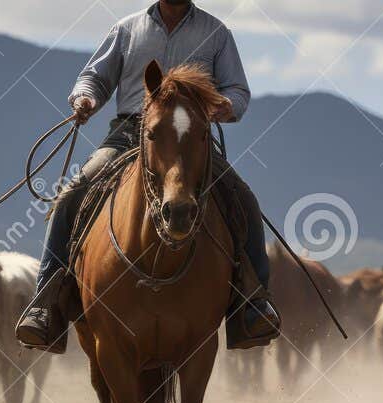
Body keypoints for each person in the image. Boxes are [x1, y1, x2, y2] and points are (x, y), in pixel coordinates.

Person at [14, 0, 281, 353]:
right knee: (70, 197)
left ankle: (252, 305)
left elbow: (237, 90)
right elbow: (94, 76)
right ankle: (45, 302)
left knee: (243, 199)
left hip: (189, 138)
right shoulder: (126, 29)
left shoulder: (217, 33)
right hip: (131, 133)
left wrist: (225, 106)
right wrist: (86, 99)